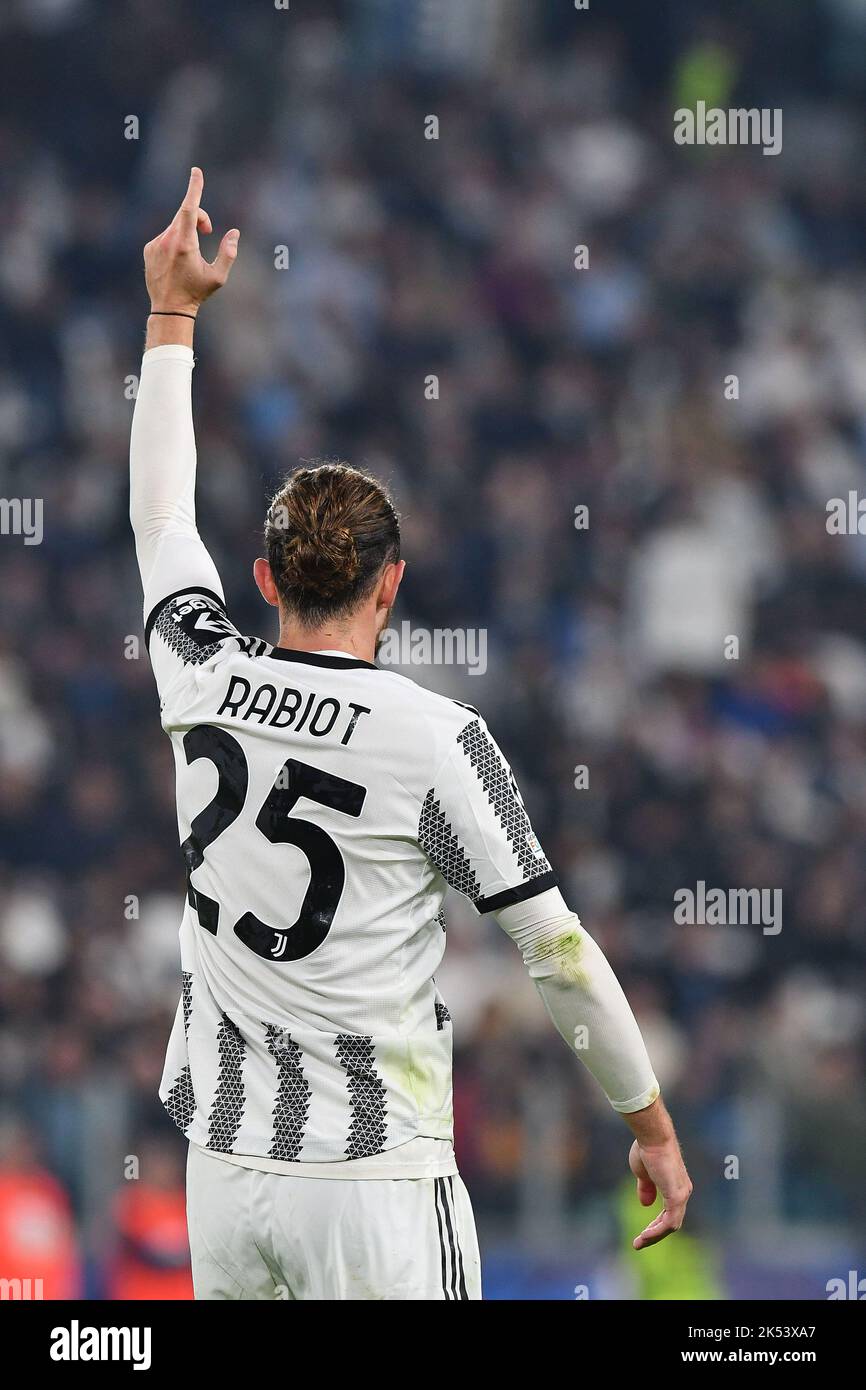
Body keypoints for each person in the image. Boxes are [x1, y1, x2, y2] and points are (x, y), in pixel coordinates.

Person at [129, 168, 692, 1301]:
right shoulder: (436, 740)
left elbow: (159, 516)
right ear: (391, 588)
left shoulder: (198, 669)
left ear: (260, 580)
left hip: (224, 1178)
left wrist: (171, 317)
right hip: (374, 1177)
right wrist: (652, 1125)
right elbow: (557, 953)